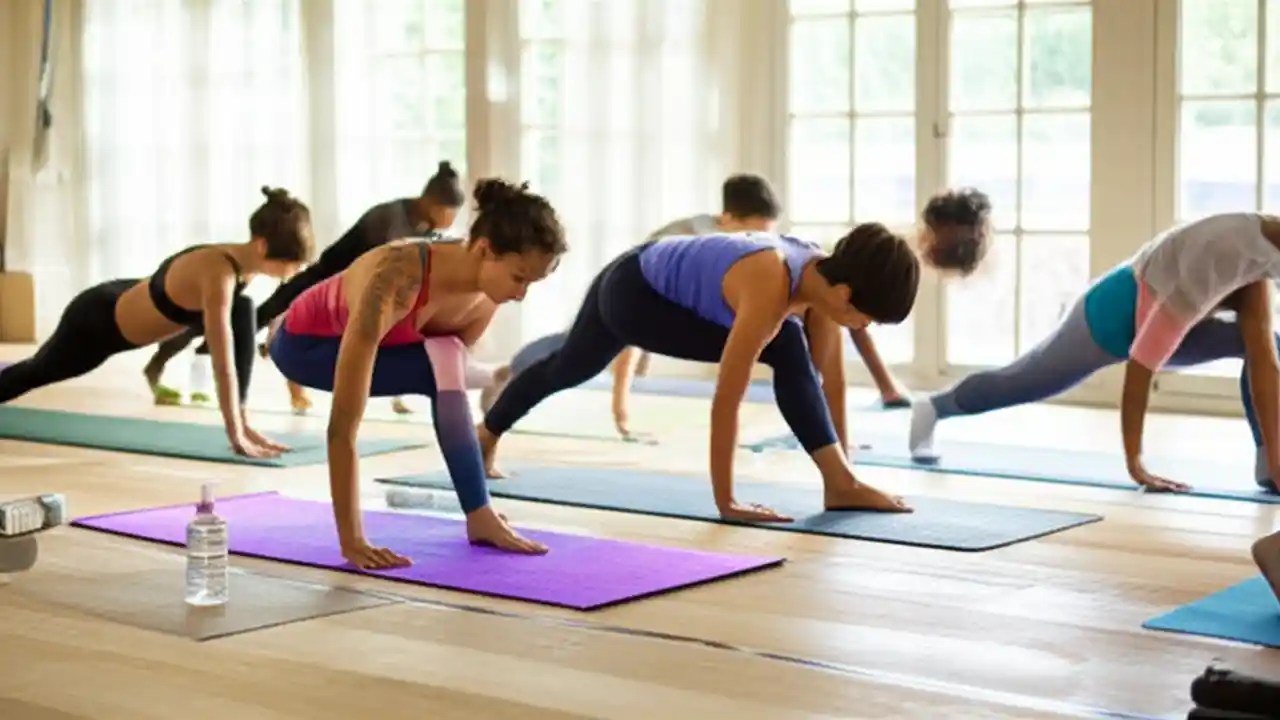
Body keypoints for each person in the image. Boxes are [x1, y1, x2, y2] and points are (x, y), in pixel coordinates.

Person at [478, 223, 924, 522]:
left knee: (565, 367)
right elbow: (728, 397)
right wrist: (726, 501)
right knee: (787, 344)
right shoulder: (770, 285)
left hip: (641, 270)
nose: (866, 329)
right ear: (846, 295)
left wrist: (846, 478)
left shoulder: (820, 285)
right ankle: (488, 431)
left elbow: (831, 382)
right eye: (869, 319)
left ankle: (486, 433)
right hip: (635, 294)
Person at [268, 178, 566, 569]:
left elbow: (448, 383)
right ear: (484, 248)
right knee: (442, 357)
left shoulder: (485, 300)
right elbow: (343, 425)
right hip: (302, 346)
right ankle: (479, 514)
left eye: (533, 282)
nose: (522, 294)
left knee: (447, 357)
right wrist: (352, 540)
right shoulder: (396, 277)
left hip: (385, 349)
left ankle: (480, 516)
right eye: (519, 277)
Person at [908, 212, 1280, 495]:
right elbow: (1141, 363)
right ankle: (934, 407)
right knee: (1022, 382)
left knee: (1268, 344)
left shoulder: (1259, 263)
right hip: (1109, 317)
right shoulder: (1219, 253)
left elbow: (1264, 360)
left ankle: (1269, 464)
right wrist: (1136, 464)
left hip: (1173, 321)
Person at [0, 187, 313, 458]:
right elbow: (223, 362)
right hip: (97, 324)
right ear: (262, 246)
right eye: (291, 264)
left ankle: (243, 421)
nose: (295, 271)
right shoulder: (218, 274)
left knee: (242, 309)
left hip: (126, 297)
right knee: (36, 372)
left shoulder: (245, 265)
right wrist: (236, 435)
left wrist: (246, 424)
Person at [145, 160, 468, 416]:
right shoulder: (390, 217)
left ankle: (394, 394)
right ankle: (185, 355)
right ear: (432, 202)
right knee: (252, 318)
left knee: (251, 319)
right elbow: (392, 262)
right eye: (448, 212)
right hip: (323, 282)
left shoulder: (422, 224)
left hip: (350, 292)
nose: (450, 220)